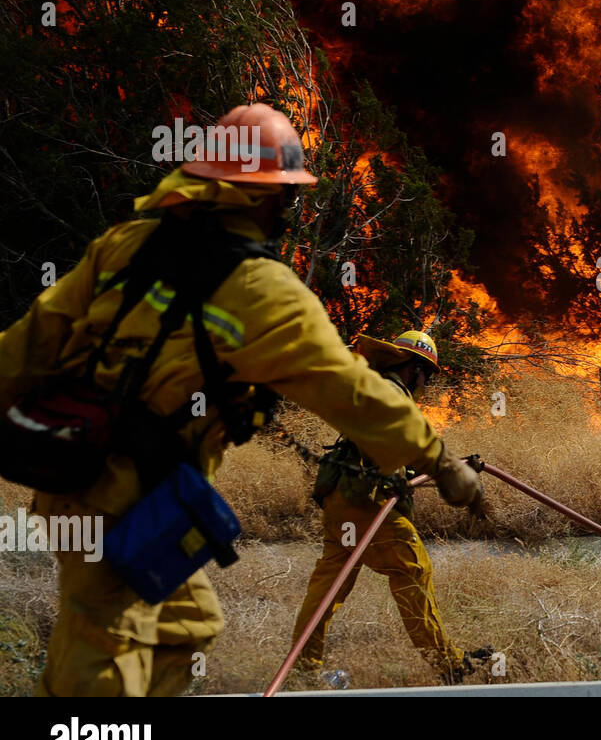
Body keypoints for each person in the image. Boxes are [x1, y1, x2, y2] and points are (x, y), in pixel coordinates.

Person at [0, 103, 484, 696]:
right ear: (256, 196)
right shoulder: (261, 288)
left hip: (89, 469)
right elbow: (350, 389)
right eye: (283, 194)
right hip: (127, 488)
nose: (287, 207)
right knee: (108, 643)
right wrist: (440, 460)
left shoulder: (128, 244)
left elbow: (27, 345)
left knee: (182, 624)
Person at [290, 331, 492, 686]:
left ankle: (302, 670)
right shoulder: (393, 393)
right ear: (413, 368)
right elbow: (413, 441)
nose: (426, 382)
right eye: (426, 374)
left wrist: (452, 465)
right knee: (413, 570)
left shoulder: (376, 387)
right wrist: (452, 474)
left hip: (340, 499)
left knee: (328, 584)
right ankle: (449, 667)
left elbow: (394, 452)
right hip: (368, 503)